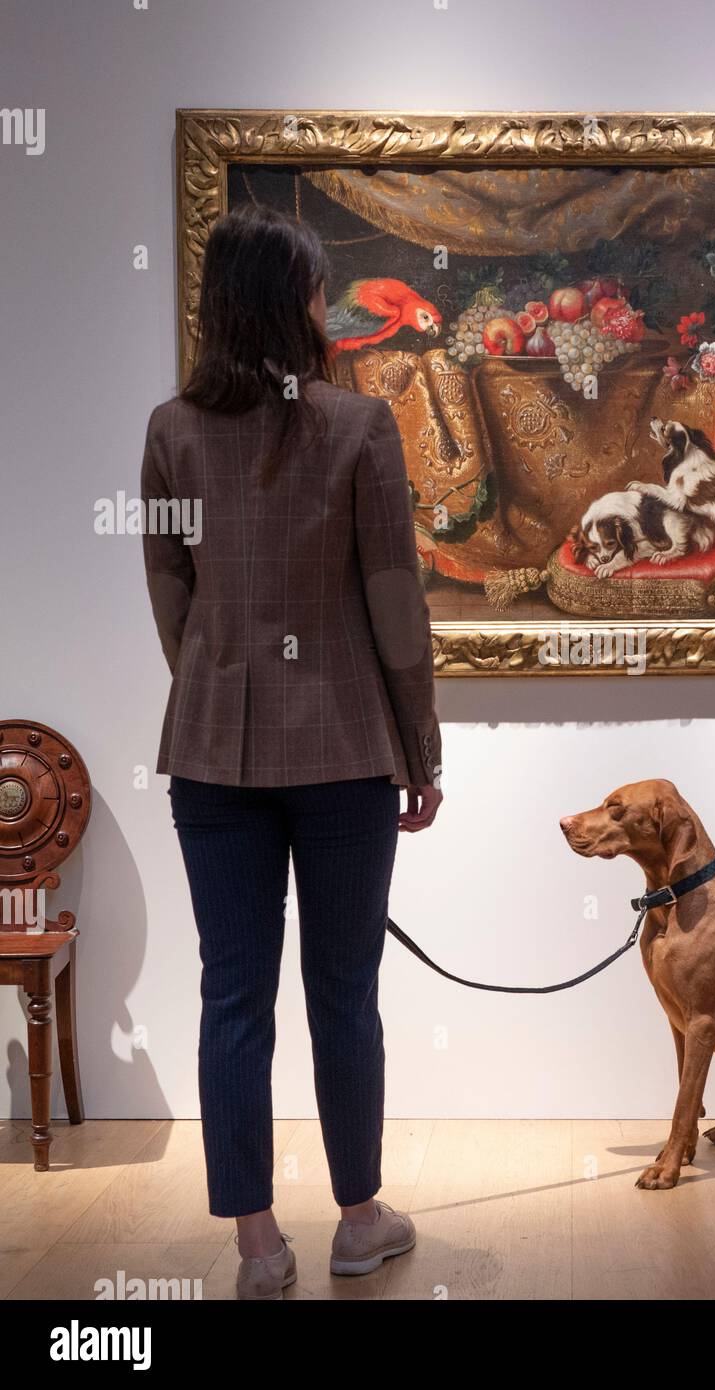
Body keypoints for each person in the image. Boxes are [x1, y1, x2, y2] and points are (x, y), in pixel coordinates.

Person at [140, 203, 442, 1300]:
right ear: (295, 304)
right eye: (320, 291)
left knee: (233, 992)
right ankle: (359, 1217)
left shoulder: (173, 428)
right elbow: (395, 599)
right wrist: (422, 745)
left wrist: (215, 675)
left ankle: (258, 1244)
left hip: (214, 751)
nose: (327, 310)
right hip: (348, 746)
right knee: (344, 987)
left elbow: (170, 583)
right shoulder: (360, 429)